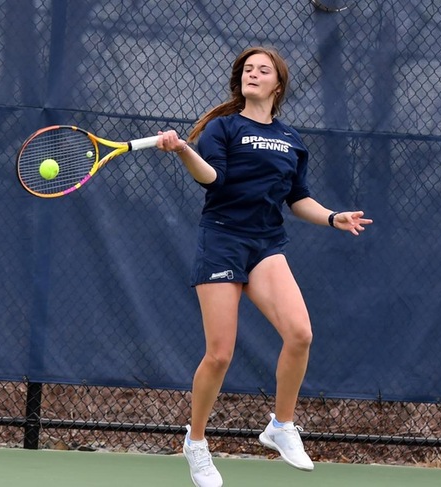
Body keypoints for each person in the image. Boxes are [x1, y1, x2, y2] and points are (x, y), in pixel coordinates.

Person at [155, 46, 373, 487]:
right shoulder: (222, 128)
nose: (254, 74)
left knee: (300, 334)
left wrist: (333, 217)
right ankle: (195, 443)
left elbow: (298, 200)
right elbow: (212, 178)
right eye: (247, 69)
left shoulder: (292, 141)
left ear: (278, 84)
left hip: (266, 245)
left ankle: (281, 426)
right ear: (240, 81)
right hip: (222, 240)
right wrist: (182, 150)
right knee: (219, 355)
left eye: (263, 70)